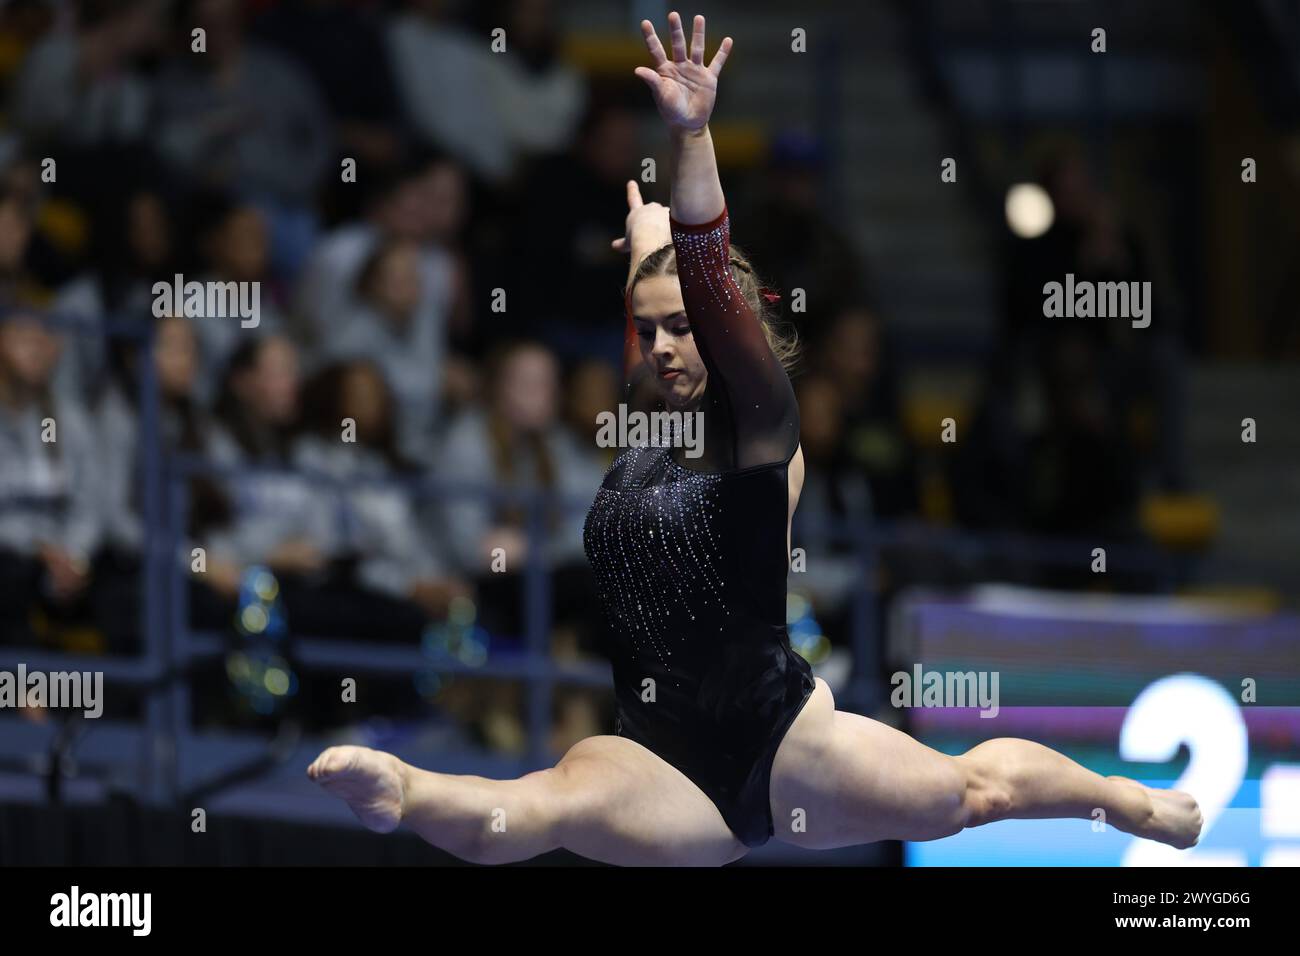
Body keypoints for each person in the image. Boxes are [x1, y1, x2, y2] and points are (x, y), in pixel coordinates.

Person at [308, 13, 1202, 865]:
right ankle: (404, 788)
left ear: (728, 327)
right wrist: (644, 244)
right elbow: (666, 281)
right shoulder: (652, 422)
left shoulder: (759, 419)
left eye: (682, 330)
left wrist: (691, 140)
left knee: (971, 796)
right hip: (658, 760)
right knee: (549, 804)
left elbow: (701, 271)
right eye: (647, 330)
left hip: (785, 744)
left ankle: (1119, 798)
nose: (660, 349)